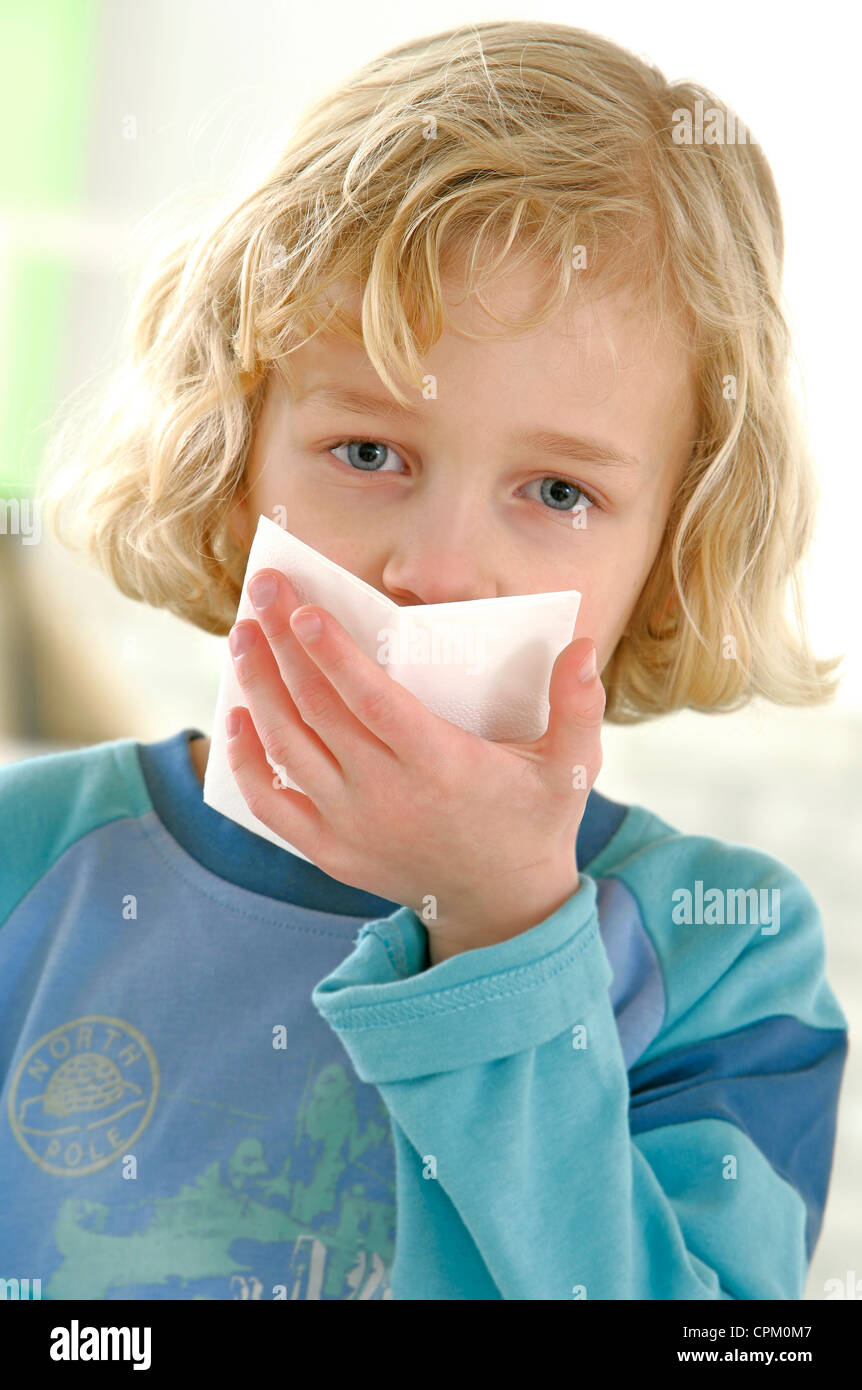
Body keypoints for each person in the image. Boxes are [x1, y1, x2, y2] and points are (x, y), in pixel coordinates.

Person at [1, 20, 847, 1300]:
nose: (436, 571)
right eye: (368, 454)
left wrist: (503, 934)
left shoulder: (725, 960)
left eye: (556, 490)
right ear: (237, 476)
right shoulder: (31, 864)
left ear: (670, 558)